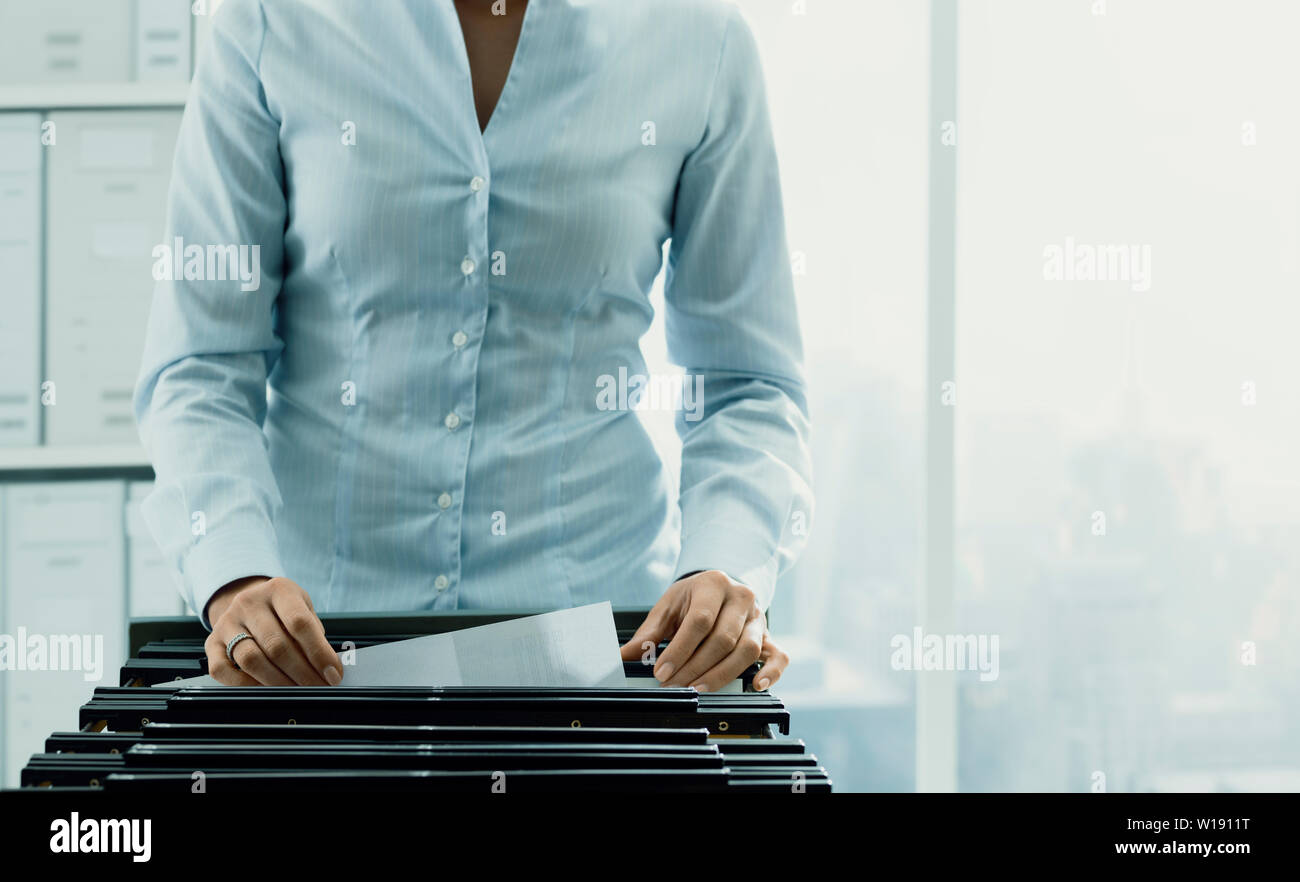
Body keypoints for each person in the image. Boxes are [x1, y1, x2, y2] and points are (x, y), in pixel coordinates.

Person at [134, 0, 812, 693]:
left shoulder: (701, 39)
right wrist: (236, 571)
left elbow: (747, 383)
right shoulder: (270, 22)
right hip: (314, 661)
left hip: (607, 651)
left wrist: (724, 565)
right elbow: (202, 367)